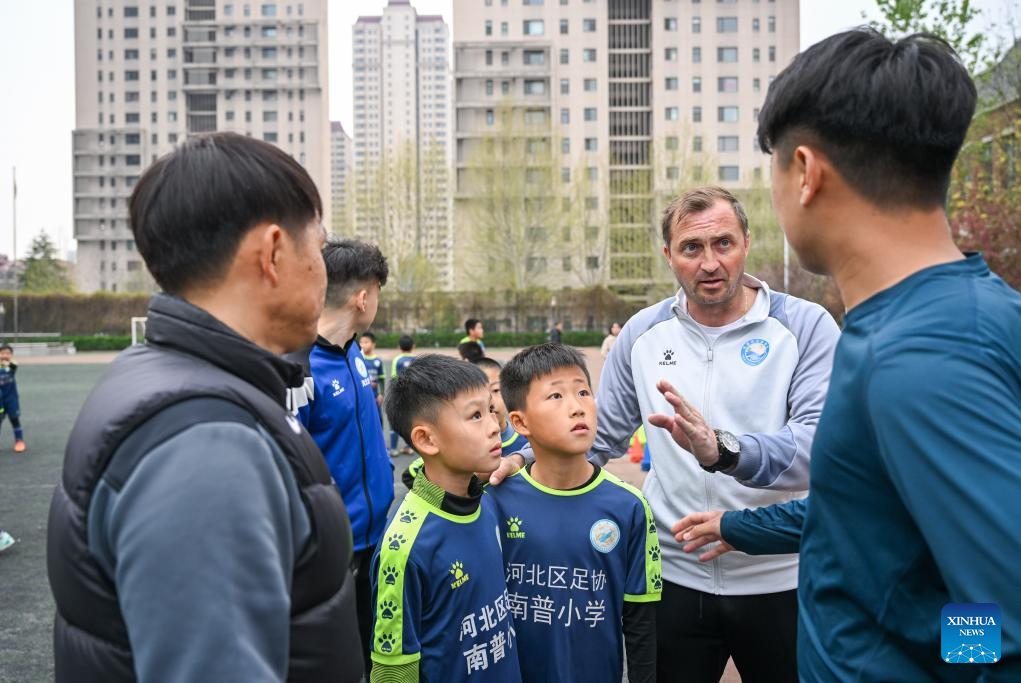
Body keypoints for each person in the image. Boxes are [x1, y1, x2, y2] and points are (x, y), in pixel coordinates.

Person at [703, 28, 1017, 679]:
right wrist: (738, 528)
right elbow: (871, 515)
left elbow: (1002, 618)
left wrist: (925, 658)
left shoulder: (918, 360)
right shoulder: (954, 314)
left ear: (804, 173)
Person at [46, 132, 361, 682]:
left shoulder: (167, 377)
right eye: (318, 244)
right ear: (272, 253)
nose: (323, 266)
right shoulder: (207, 441)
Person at [591, 185, 840, 681]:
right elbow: (598, 442)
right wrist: (527, 464)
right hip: (674, 578)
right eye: (691, 248)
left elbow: (821, 449)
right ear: (669, 255)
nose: (709, 263)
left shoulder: (806, 326)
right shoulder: (642, 334)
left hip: (781, 576)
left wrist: (725, 451)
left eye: (723, 243)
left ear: (746, 241)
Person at [486, 343, 661, 683]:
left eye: (583, 391)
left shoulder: (629, 506)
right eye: (555, 396)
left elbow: (640, 618)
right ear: (520, 422)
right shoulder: (496, 500)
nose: (577, 407)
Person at [371, 355, 521, 683]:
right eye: (475, 416)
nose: (494, 426)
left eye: (491, 410)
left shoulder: (488, 501)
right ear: (426, 439)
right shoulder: (405, 545)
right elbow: (393, 671)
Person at [291, 239, 393, 674]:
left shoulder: (352, 348)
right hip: (331, 551)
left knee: (373, 655)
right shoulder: (300, 367)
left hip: (375, 540)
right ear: (363, 298)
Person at [388, 334, 416, 455]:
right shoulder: (416, 360)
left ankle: (393, 449)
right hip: (413, 395)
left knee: (395, 421)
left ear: (399, 346)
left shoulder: (397, 360)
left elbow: (394, 377)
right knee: (410, 420)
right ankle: (408, 447)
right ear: (413, 346)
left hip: (399, 395)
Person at [0, 343, 26, 453]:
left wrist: (5, 362)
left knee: (14, 419)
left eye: (8, 353)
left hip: (11, 400)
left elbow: (13, 364)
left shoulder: (12, 365)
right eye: (2, 353)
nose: (5, 355)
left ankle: (19, 441)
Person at [360, 331, 386, 410]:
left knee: (378, 418)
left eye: (366, 342)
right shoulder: (358, 360)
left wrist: (381, 394)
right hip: (362, 397)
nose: (363, 345)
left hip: (375, 397)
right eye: (361, 342)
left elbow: (381, 379)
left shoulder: (378, 361)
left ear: (373, 344)